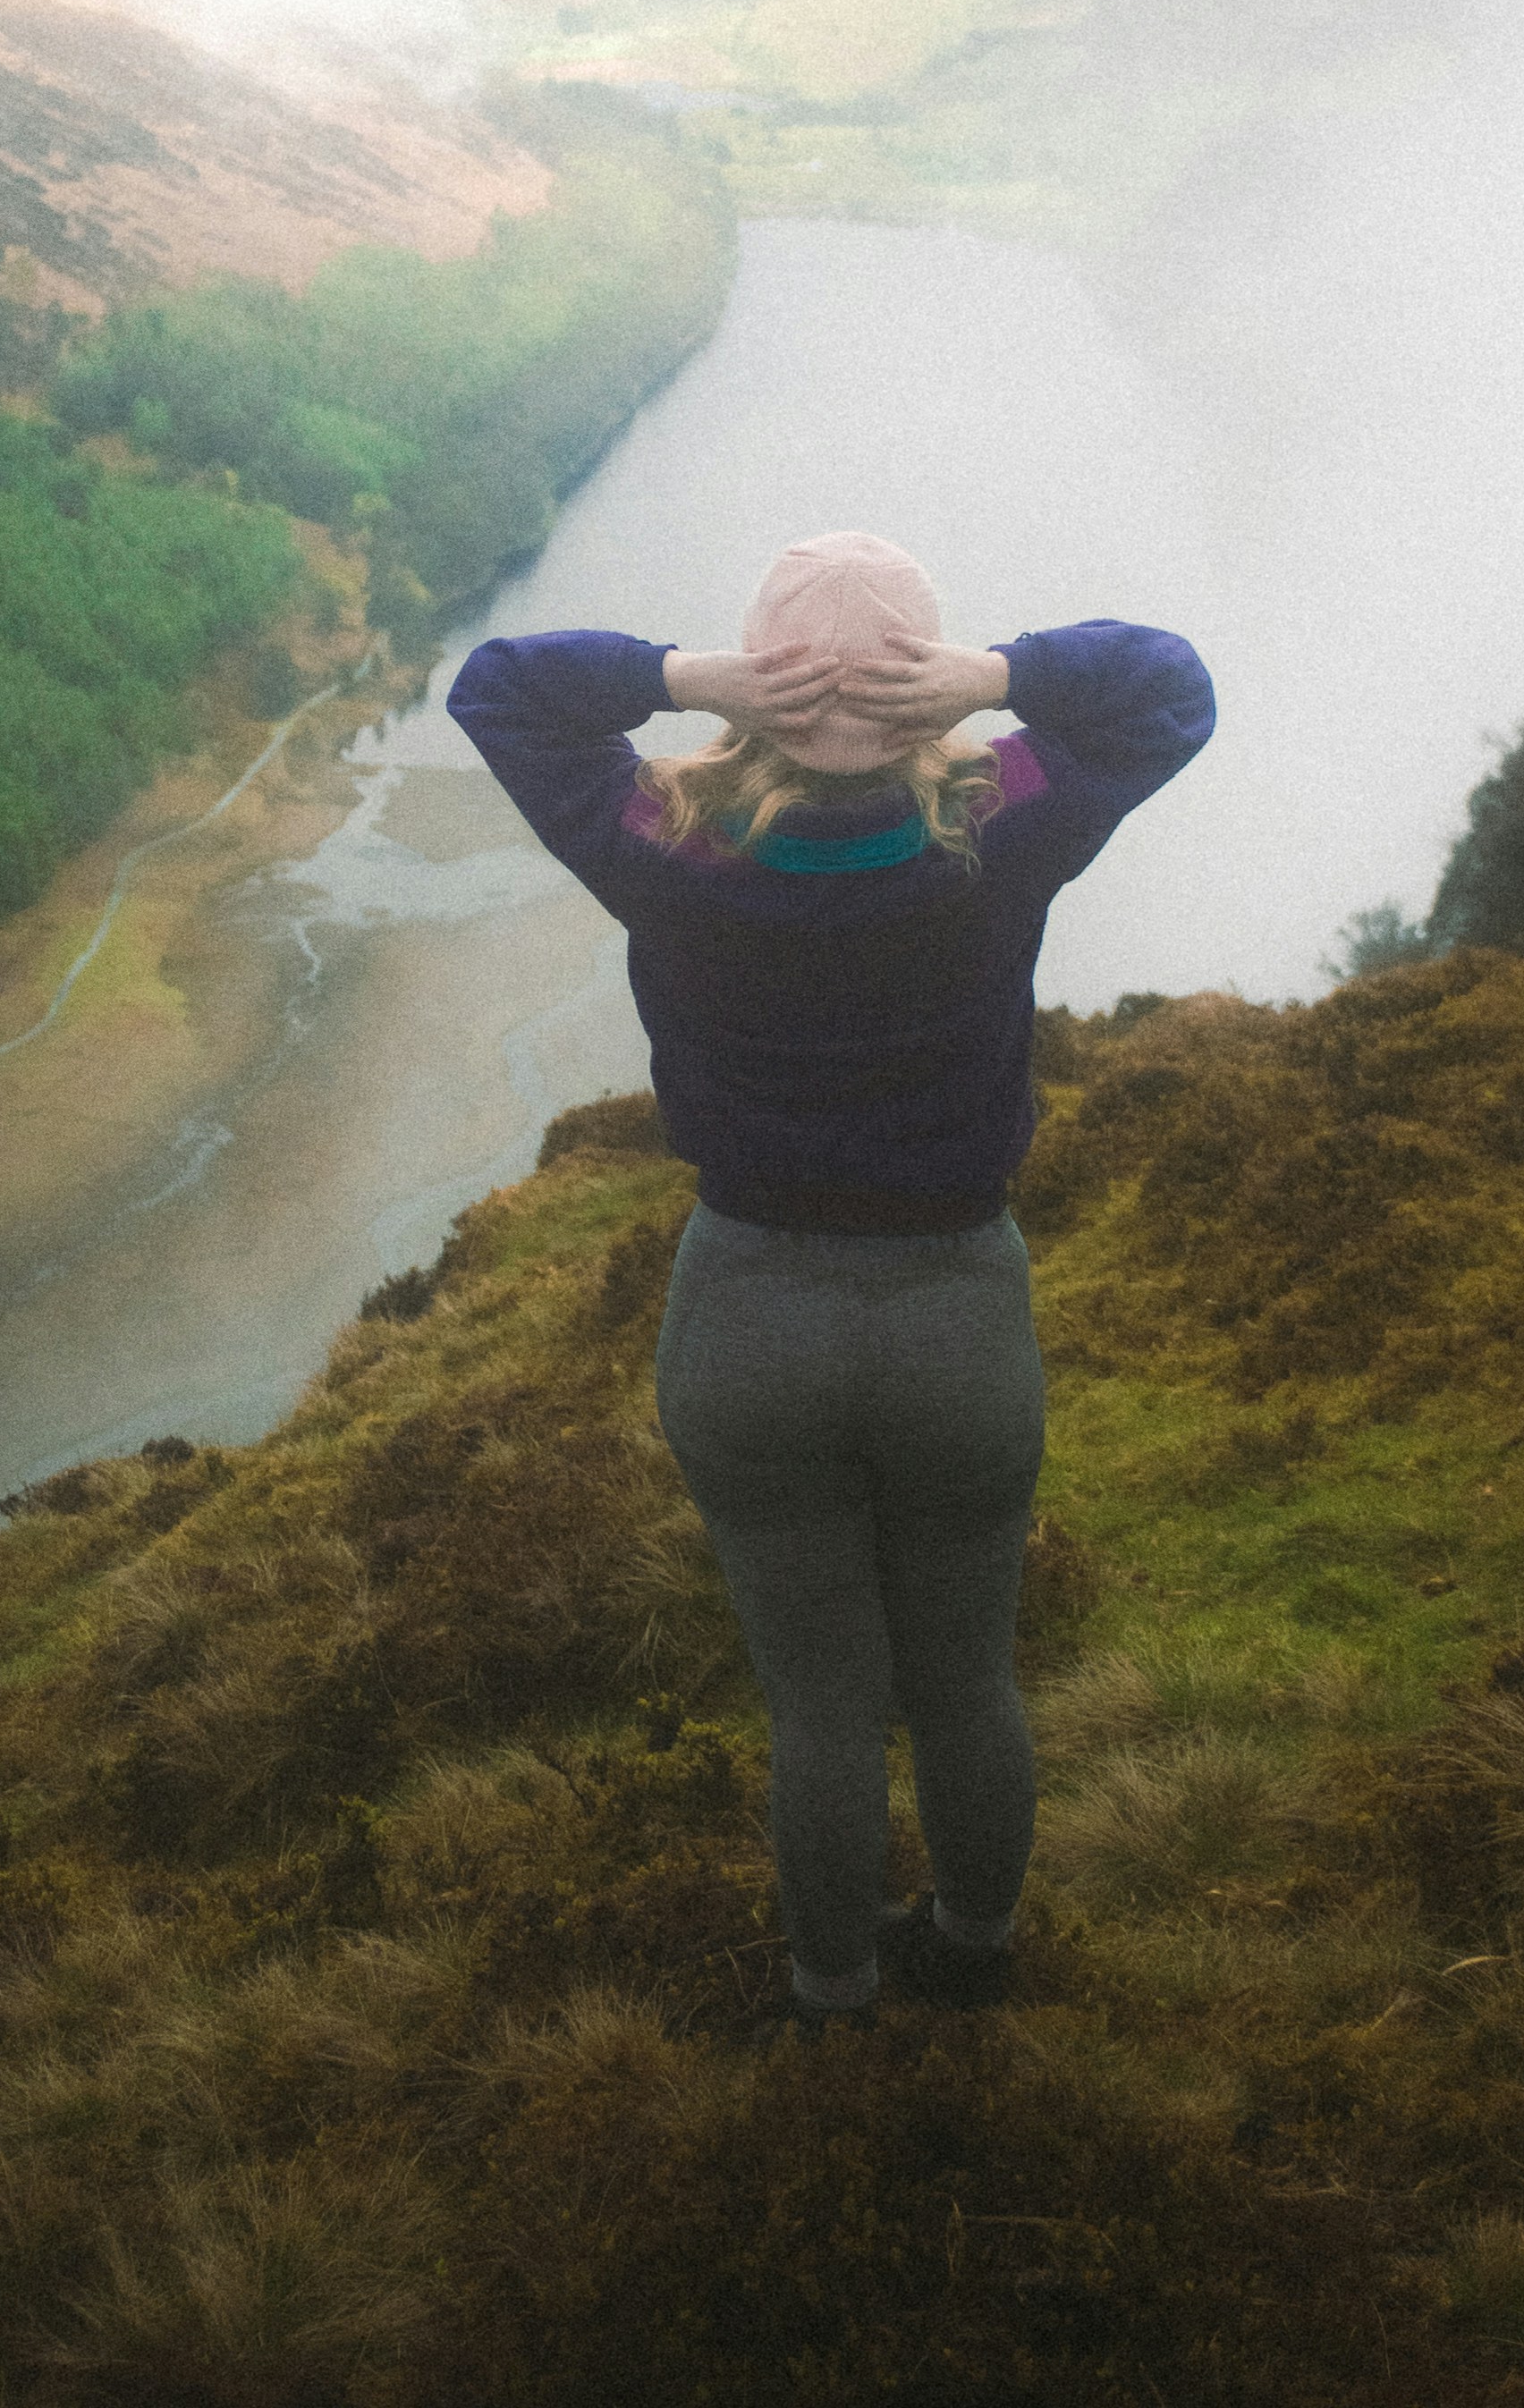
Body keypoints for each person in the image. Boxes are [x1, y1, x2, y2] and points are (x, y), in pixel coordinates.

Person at [450, 529, 1215, 2029]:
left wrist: (684, 681)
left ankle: (831, 1994)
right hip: (956, 1315)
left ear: (759, 681)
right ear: (925, 688)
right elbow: (1163, 689)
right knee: (966, 1683)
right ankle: (977, 1953)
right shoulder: (999, 820)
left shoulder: (664, 835)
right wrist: (993, 680)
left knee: (818, 1707)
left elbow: (501, 691)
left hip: (747, 1315)